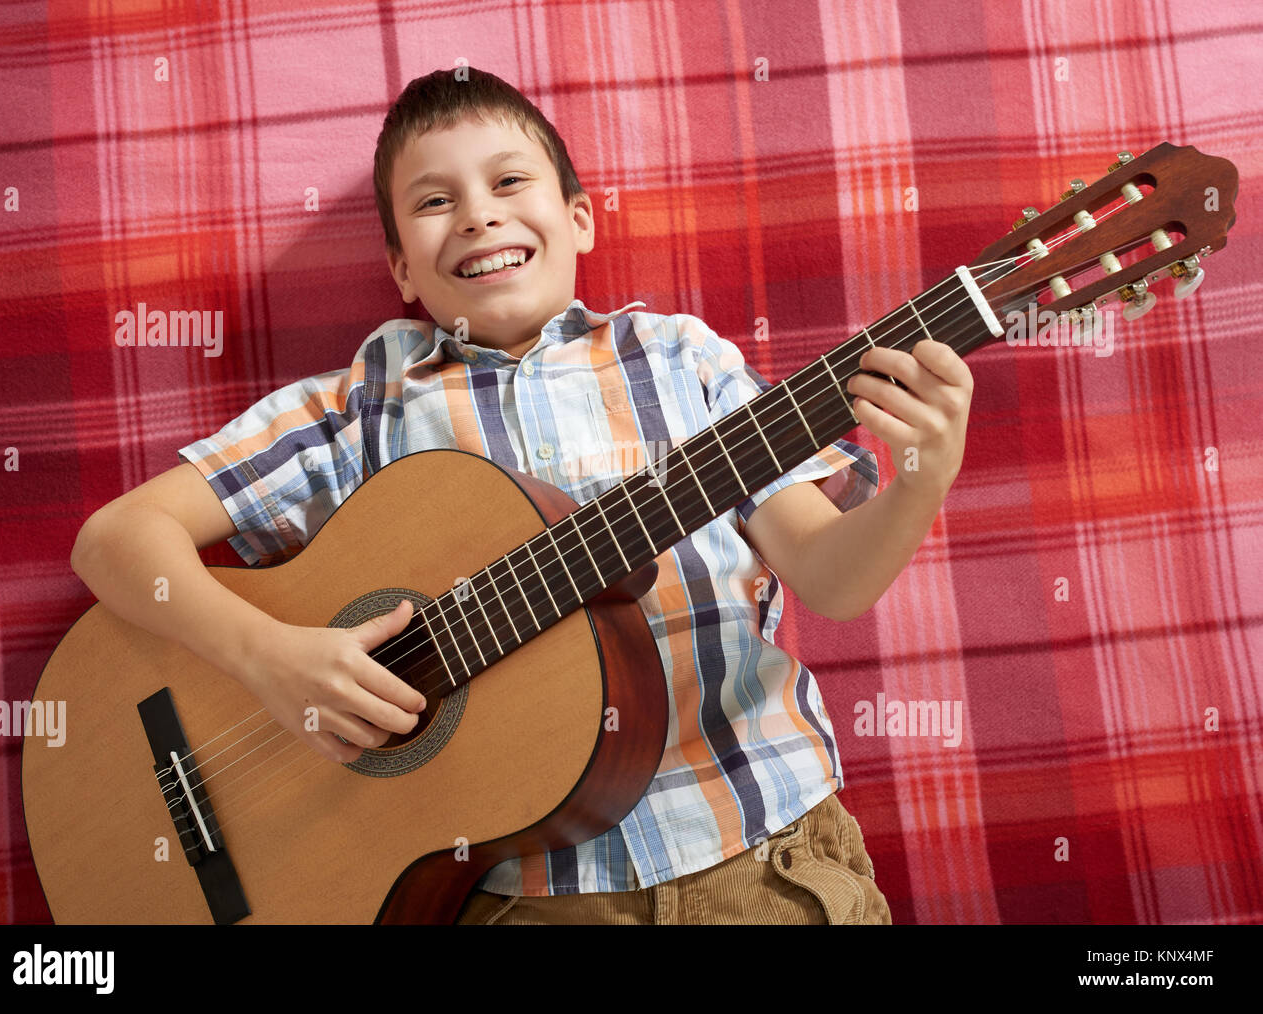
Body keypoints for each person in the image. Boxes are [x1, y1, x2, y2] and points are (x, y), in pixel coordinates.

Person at [70, 67, 973, 925]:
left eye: (510, 181)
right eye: (434, 201)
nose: (477, 215)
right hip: (520, 898)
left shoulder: (681, 363)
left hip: (762, 860)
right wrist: (269, 659)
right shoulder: (360, 406)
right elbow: (116, 540)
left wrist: (920, 479)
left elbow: (831, 577)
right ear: (400, 270)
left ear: (580, 219)